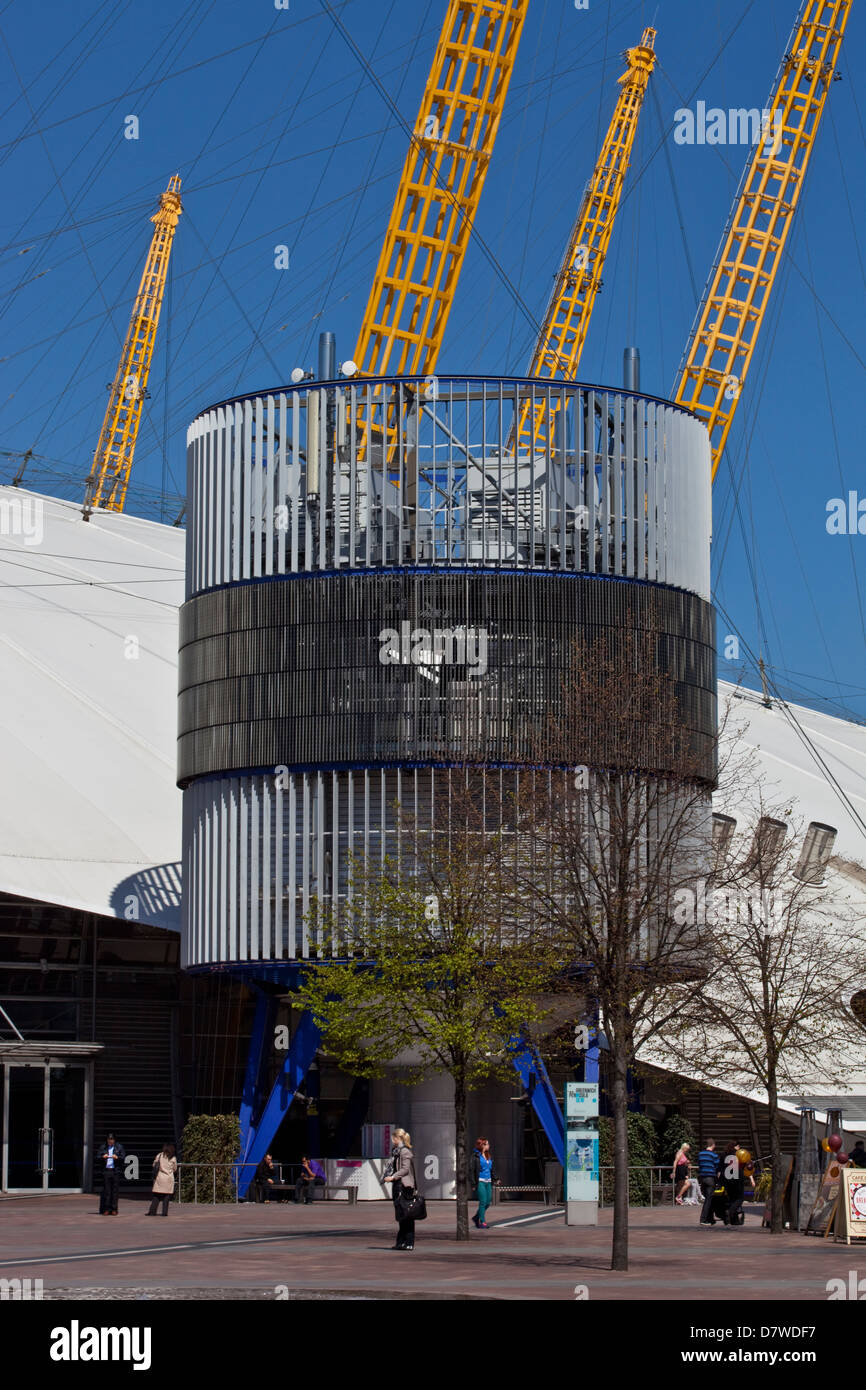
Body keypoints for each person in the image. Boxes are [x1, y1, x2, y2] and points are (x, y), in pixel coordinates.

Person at [383, 1127, 417, 1250]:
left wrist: (393, 1177)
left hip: (404, 1186)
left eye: (394, 1138)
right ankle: (401, 1242)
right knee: (400, 1214)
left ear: (400, 1138)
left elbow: (405, 1169)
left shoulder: (404, 1151)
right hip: (397, 1185)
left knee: (407, 1214)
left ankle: (409, 1242)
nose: (393, 1140)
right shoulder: (395, 1151)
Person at [470, 1137, 498, 1228]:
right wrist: (473, 1183)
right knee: (482, 1202)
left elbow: (492, 1169)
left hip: (488, 1182)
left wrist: (496, 1178)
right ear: (482, 1145)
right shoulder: (475, 1156)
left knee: (487, 1202)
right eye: (487, 1144)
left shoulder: (488, 1155)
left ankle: (476, 1217)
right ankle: (482, 1222)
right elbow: (471, 1170)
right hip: (480, 1182)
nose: (488, 1145)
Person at [146, 1143, 177, 1216]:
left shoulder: (160, 1155)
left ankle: (152, 1211)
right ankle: (164, 1212)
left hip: (160, 1177)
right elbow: (175, 1168)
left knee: (156, 1196)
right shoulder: (173, 1158)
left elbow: (154, 1165)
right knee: (166, 1197)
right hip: (168, 1178)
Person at [98, 1133, 126, 1215]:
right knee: (107, 1191)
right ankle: (106, 1209)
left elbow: (123, 1157)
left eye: (112, 1140)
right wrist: (102, 1156)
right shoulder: (103, 1147)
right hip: (106, 1170)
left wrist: (117, 1157)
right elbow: (97, 1156)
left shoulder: (119, 1147)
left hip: (115, 1171)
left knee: (114, 1191)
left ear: (114, 1140)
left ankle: (114, 1209)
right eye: (109, 1140)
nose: (110, 1141)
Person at [720, 1142, 745, 1227]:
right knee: (739, 1198)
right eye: (738, 1146)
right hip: (737, 1179)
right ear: (735, 1147)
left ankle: (734, 1220)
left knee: (731, 1198)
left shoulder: (723, 1155)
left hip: (727, 1179)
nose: (739, 1147)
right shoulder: (738, 1155)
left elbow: (720, 1167)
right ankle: (730, 1212)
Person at [697, 1137, 720, 1226]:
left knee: (708, 1198)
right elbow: (717, 1166)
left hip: (703, 1178)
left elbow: (699, 1164)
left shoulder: (700, 1154)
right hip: (711, 1178)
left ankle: (710, 1218)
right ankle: (703, 1219)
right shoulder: (714, 1155)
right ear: (713, 1145)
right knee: (708, 1200)